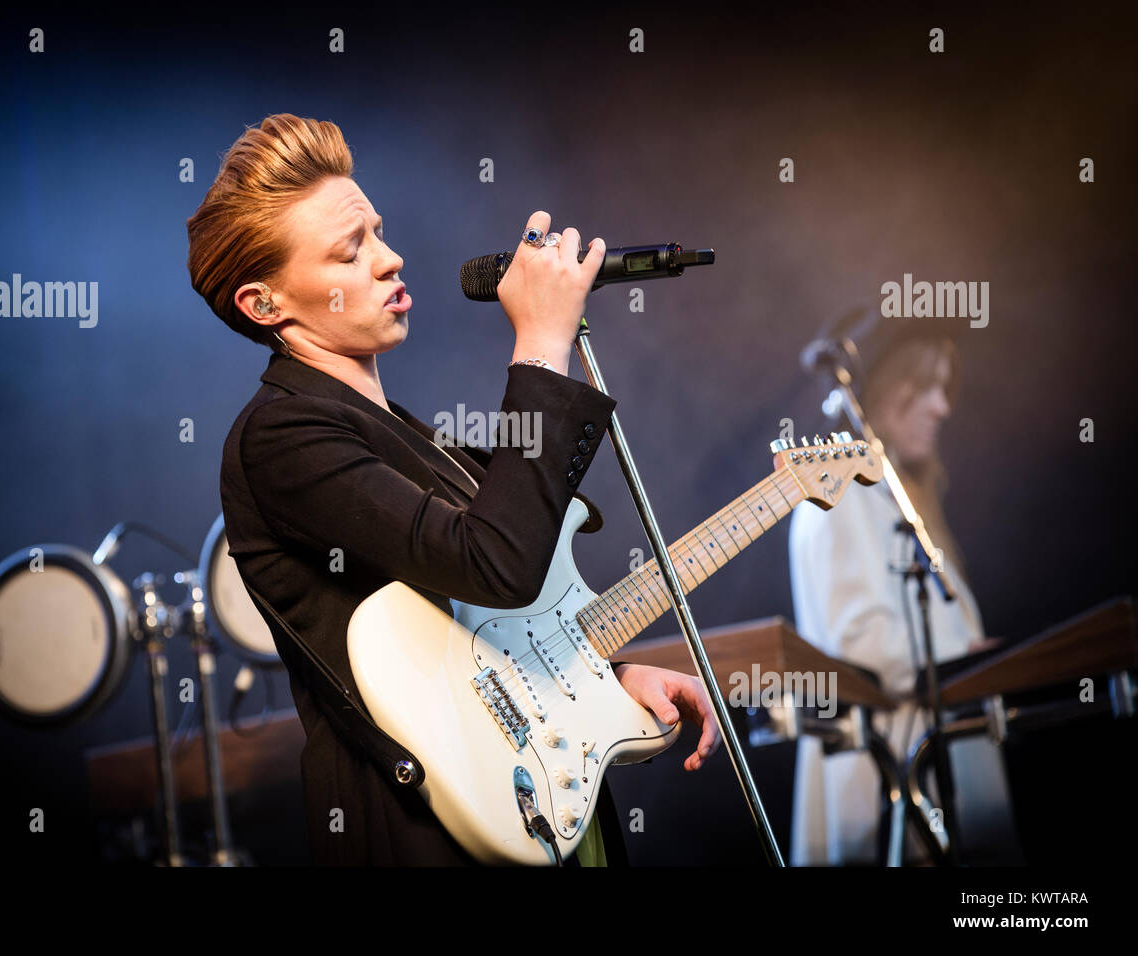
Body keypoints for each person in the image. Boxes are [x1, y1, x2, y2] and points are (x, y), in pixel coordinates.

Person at [187, 113, 721, 865]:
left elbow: (482, 635)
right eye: (351, 250)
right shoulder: (280, 437)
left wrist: (608, 679)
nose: (390, 259)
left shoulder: (407, 434)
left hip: (532, 800)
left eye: (378, 233)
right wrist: (541, 344)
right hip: (428, 836)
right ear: (265, 303)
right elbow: (495, 563)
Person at [788, 327, 1021, 865]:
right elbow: (862, 645)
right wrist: (970, 660)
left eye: (945, 388)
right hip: (889, 787)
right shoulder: (837, 493)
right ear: (883, 385)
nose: (942, 407)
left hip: (932, 772)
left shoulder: (898, 500)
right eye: (925, 385)